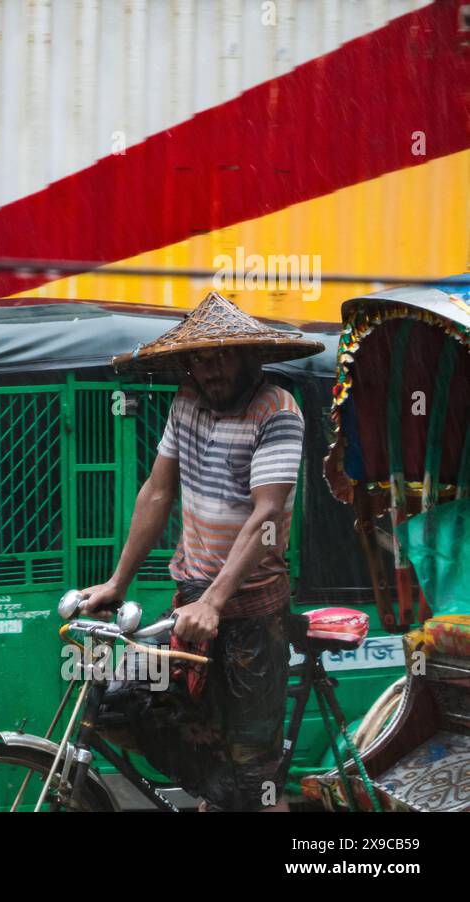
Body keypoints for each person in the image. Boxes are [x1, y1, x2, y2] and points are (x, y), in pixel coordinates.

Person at [80, 291, 323, 811]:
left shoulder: (277, 410)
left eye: (223, 354)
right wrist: (117, 582)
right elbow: (157, 492)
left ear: (249, 356)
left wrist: (214, 602)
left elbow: (265, 519)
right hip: (189, 608)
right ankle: (220, 791)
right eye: (201, 356)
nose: (211, 368)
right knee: (119, 704)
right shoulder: (186, 400)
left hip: (251, 620)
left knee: (254, 781)